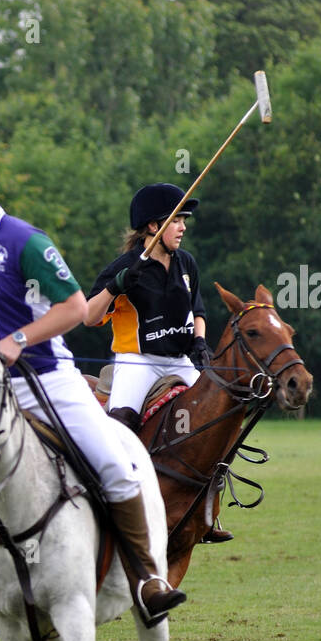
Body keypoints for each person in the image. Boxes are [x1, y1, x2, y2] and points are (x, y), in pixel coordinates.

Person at [0, 149, 186, 641]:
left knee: (117, 467)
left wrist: (20, 339)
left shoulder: (25, 243)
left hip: (46, 379)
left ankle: (145, 583)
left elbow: (75, 307)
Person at [83, 182, 230, 542]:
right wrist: (116, 285)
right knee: (120, 428)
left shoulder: (185, 263)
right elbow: (88, 316)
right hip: (138, 361)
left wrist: (199, 340)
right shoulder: (125, 266)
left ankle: (207, 513)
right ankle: (111, 506)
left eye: (184, 220)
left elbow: (198, 309)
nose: (183, 226)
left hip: (180, 360)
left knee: (218, 421)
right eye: (176, 220)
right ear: (153, 226)